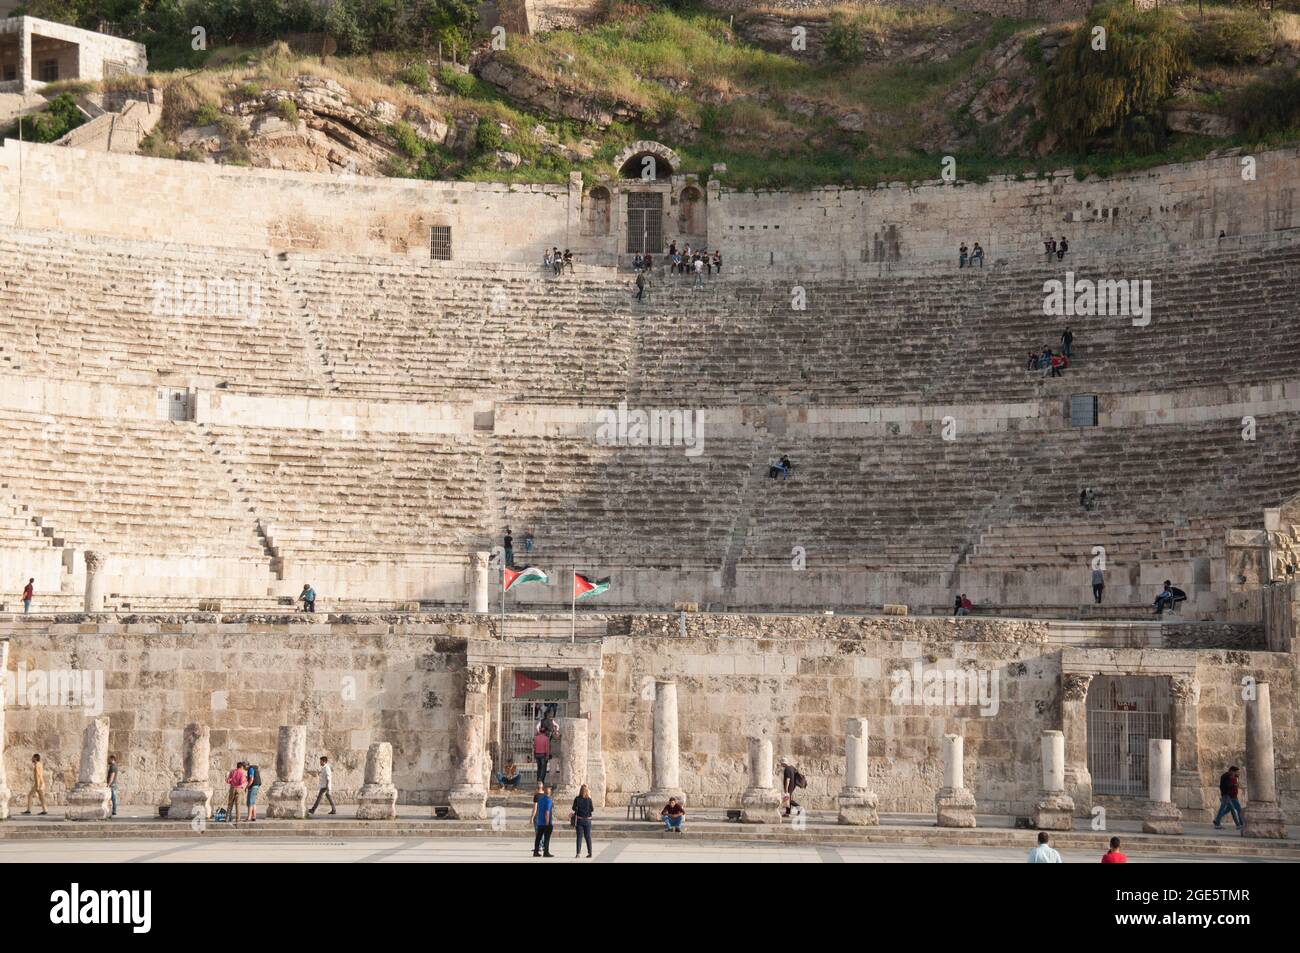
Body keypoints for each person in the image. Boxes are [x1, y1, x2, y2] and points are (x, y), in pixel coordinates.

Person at [1213, 766, 1243, 830]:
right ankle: (1217, 823)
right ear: (1232, 771)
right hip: (1226, 795)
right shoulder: (1226, 776)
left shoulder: (1231, 776)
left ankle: (1238, 825)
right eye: (1235, 772)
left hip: (1228, 796)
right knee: (1226, 809)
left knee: (1230, 809)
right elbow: (1224, 786)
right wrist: (1234, 785)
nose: (1236, 773)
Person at [572, 783, 594, 858]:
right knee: (588, 837)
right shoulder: (589, 800)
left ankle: (578, 853)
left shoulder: (577, 799)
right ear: (587, 791)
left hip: (580, 820)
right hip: (588, 820)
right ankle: (590, 853)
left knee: (579, 837)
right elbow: (592, 809)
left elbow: (573, 808)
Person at [532, 785, 555, 857]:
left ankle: (536, 852)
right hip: (546, 822)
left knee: (538, 838)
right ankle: (546, 852)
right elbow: (547, 812)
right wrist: (547, 823)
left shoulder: (540, 799)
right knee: (547, 838)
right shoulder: (549, 800)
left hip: (540, 821)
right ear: (550, 793)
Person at [225, 760, 246, 826]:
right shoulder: (242, 772)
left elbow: (228, 781)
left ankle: (227, 818)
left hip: (232, 788)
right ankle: (237, 819)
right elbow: (241, 782)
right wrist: (245, 780)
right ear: (241, 767)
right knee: (238, 805)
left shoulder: (232, 771)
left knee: (230, 804)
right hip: (239, 789)